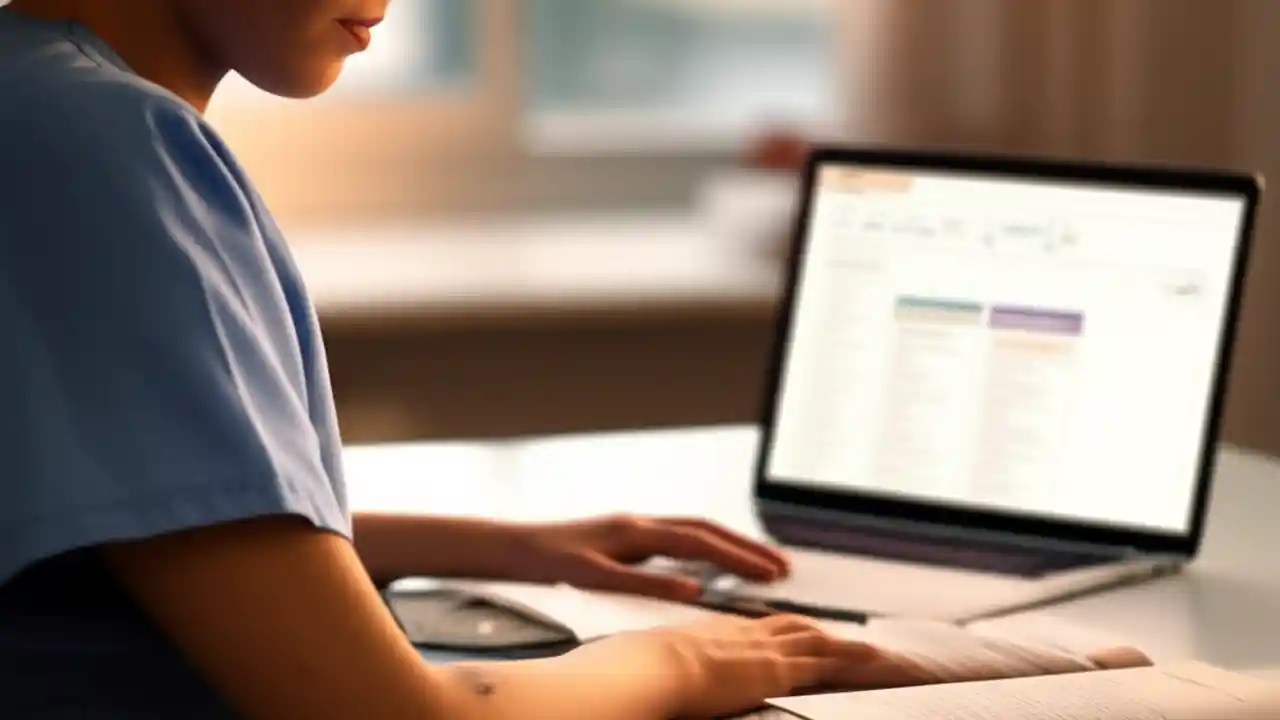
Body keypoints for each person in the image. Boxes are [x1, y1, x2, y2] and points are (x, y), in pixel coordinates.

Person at [0, 2, 916, 717]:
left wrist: (510, 548)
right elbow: (383, 713)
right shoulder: (105, 148)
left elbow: (141, 533)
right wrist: (682, 660)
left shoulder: (34, 93)